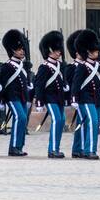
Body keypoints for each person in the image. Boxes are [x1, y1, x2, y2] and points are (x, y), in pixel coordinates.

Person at [71, 31, 100, 161]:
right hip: (85, 99)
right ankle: (90, 150)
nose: (97, 51)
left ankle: (84, 149)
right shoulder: (82, 66)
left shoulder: (99, 65)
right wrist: (74, 98)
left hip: (96, 99)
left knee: (89, 124)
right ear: (88, 51)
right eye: (94, 50)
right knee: (93, 122)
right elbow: (76, 84)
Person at [34, 31, 68, 159]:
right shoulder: (44, 67)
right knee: (57, 120)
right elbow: (39, 85)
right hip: (49, 98)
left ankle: (56, 147)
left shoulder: (60, 65)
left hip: (59, 98)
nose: (59, 52)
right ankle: (52, 149)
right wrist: (39, 102)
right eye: (56, 50)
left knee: (62, 120)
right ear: (49, 50)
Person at [0, 30, 33, 158]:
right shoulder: (7, 66)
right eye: (19, 49)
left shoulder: (24, 66)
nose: (22, 51)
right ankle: (13, 147)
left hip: (23, 97)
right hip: (12, 97)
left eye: (22, 49)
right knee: (21, 117)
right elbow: (2, 84)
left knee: (23, 120)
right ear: (12, 50)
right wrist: (0, 100)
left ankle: (19, 146)